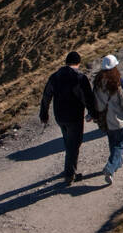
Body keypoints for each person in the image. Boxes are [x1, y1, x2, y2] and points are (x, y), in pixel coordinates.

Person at [39, 51, 98, 185]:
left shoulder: (55, 76)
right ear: (78, 63)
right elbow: (87, 98)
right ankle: (69, 175)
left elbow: (46, 95)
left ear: (66, 62)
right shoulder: (80, 78)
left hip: (59, 116)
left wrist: (44, 114)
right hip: (74, 117)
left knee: (68, 142)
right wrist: (93, 113)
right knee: (74, 144)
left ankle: (69, 167)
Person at [91, 54, 123, 185]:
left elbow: (94, 102)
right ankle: (110, 168)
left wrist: (91, 115)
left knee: (113, 143)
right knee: (119, 144)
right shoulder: (117, 82)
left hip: (105, 121)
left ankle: (118, 162)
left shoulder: (97, 83)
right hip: (118, 120)